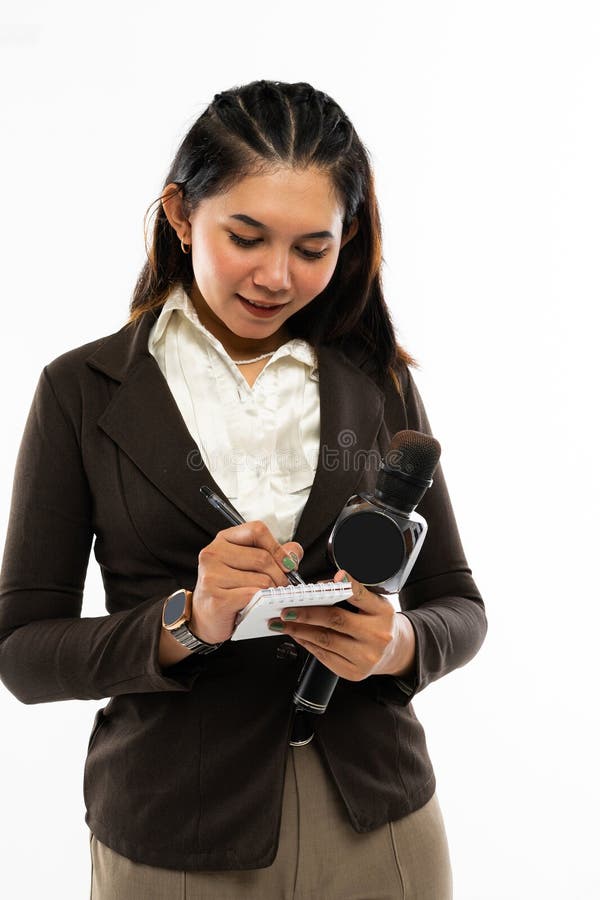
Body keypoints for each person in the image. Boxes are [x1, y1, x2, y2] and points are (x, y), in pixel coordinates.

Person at [0, 79, 487, 899]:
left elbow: (459, 606)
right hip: (172, 836)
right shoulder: (82, 390)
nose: (276, 276)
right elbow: (21, 654)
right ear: (182, 213)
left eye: (312, 248)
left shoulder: (377, 383)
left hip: (380, 824)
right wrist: (187, 623)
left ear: (349, 238)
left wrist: (396, 645)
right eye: (247, 236)